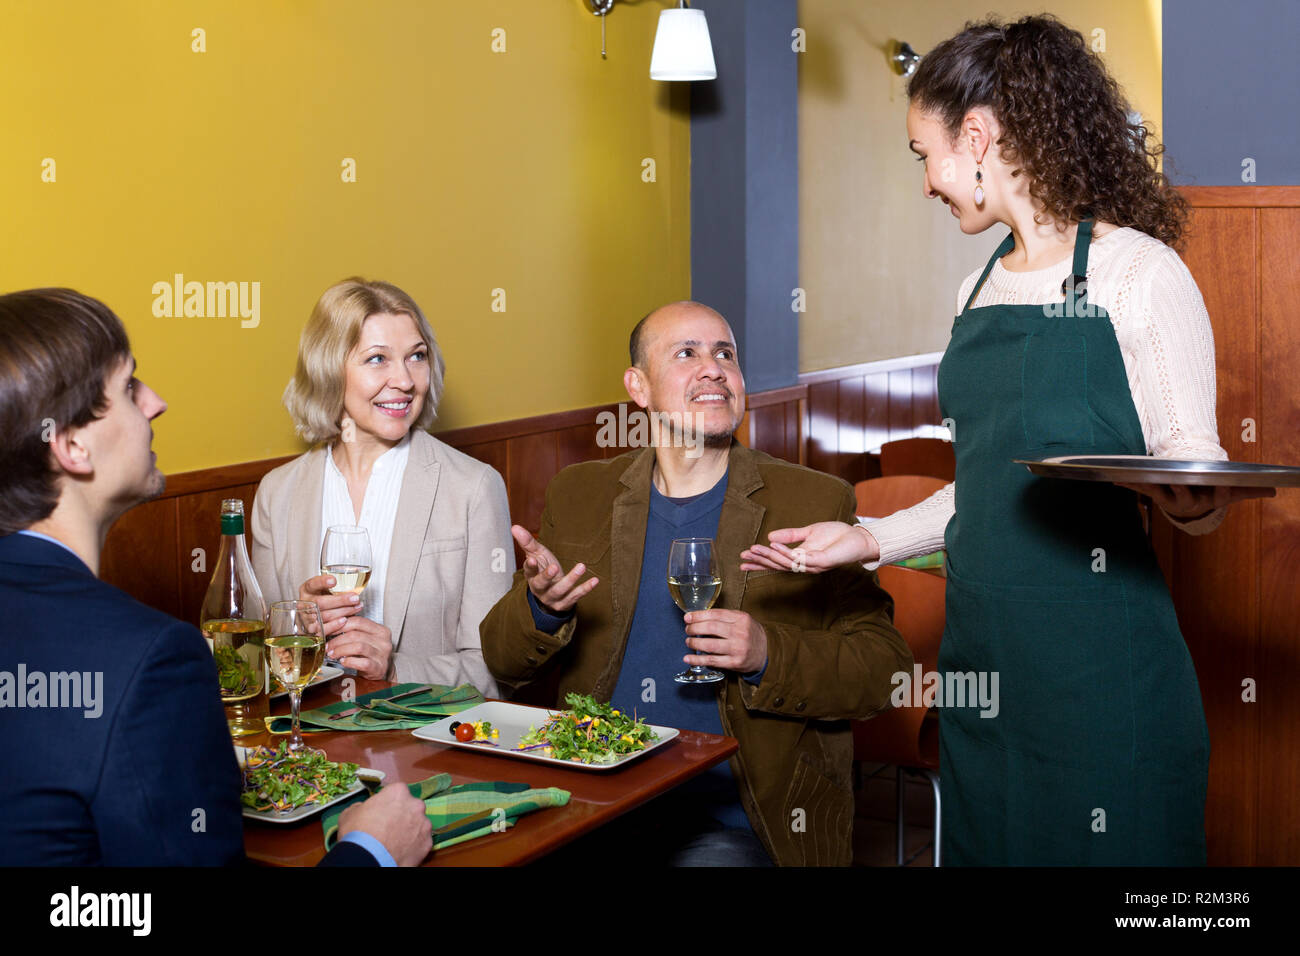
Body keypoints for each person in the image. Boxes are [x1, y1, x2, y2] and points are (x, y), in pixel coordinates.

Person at [741, 15, 1276, 865]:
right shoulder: (976, 287)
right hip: (983, 674)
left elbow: (1196, 486)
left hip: (1101, 672)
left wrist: (1185, 497)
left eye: (925, 153)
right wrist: (864, 538)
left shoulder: (1140, 272)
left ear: (979, 136)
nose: (925, 182)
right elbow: (985, 485)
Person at [0, 288, 431, 866]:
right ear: (72, 445)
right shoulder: (152, 658)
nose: (155, 403)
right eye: (129, 386)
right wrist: (371, 849)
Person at [479, 301, 911, 866]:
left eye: (725, 353)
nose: (713, 368)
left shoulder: (812, 499)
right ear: (639, 387)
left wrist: (766, 653)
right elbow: (503, 660)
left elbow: (886, 669)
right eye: (687, 353)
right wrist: (541, 610)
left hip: (736, 816)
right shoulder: (580, 494)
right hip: (596, 800)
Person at [251, 278, 511, 694]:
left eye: (417, 356)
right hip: (310, 747)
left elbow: (497, 674)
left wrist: (395, 668)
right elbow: (250, 669)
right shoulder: (276, 495)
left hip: (425, 751)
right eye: (377, 359)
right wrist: (295, 626)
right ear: (328, 369)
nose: (405, 381)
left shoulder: (474, 489)